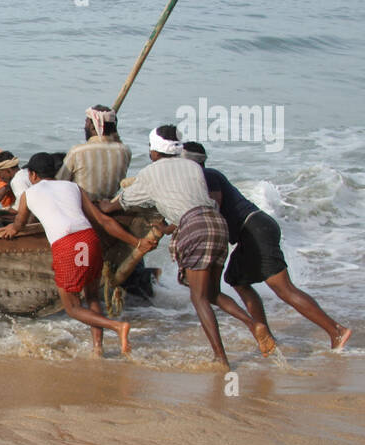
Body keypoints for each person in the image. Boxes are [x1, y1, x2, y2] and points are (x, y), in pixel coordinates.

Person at [99, 125, 274, 368]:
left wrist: (98, 204)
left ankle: (221, 357)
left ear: (154, 151)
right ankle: (254, 324)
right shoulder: (192, 166)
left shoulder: (151, 173)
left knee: (199, 298)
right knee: (212, 294)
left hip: (194, 227)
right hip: (217, 224)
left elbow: (119, 205)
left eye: (150, 148)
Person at [184, 142, 350, 350]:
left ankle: (337, 331)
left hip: (254, 229)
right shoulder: (206, 176)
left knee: (284, 289)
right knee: (237, 280)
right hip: (253, 229)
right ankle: (265, 334)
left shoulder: (207, 175)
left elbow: (213, 209)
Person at [0, 153, 156, 356]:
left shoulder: (28, 195)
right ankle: (97, 348)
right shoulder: (72, 187)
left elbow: (20, 224)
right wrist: (137, 243)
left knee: (72, 307)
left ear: (32, 174)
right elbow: (103, 221)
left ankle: (117, 327)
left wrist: (12, 229)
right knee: (91, 296)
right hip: (88, 238)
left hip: (67, 245)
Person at [57, 105, 132, 200]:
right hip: (110, 202)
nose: (84, 127)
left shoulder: (77, 151)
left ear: (93, 127)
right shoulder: (125, 151)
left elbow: (60, 182)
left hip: (83, 205)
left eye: (86, 122)